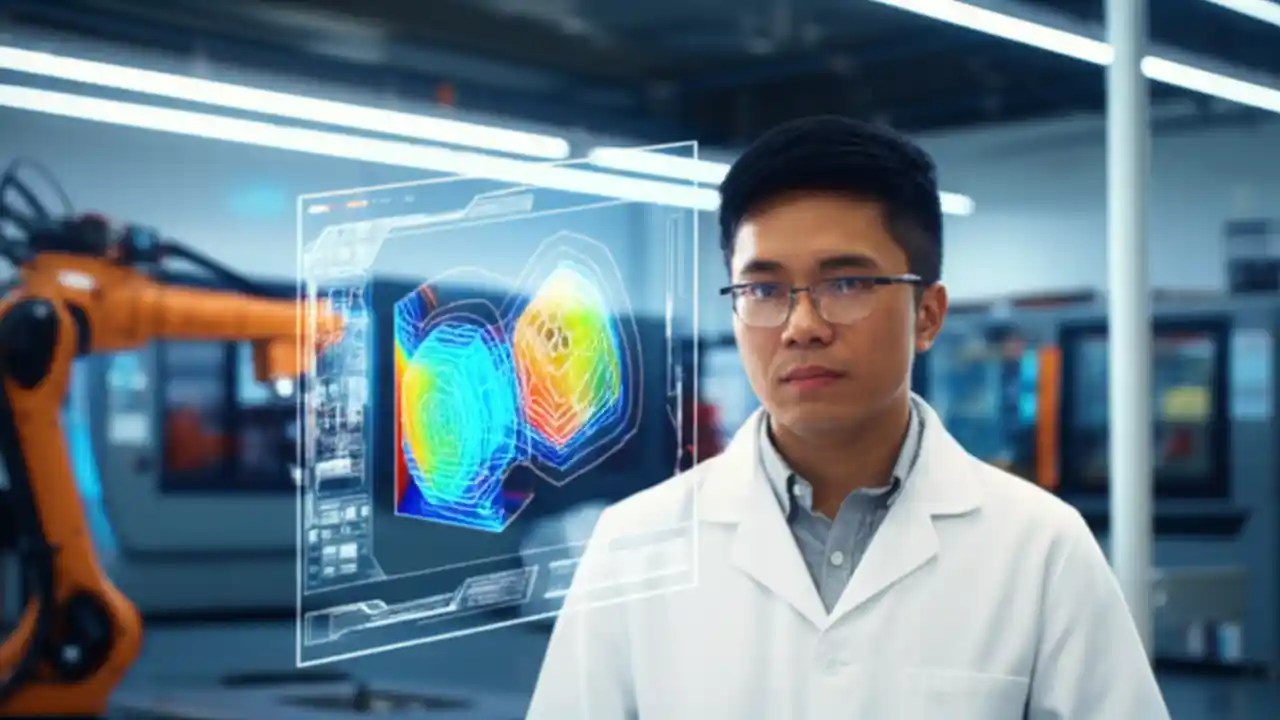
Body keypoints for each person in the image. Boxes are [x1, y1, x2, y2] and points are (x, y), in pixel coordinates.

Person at [527, 116, 1170, 719]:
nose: (802, 326)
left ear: (927, 314)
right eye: (763, 290)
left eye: (847, 284)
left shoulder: (1040, 548)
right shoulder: (635, 546)